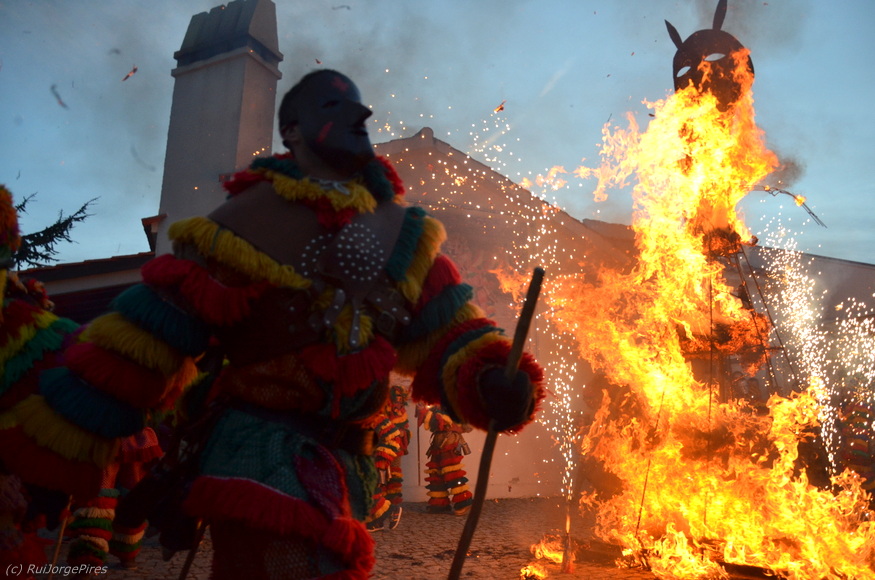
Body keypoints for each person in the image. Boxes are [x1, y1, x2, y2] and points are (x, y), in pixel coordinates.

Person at [12, 69, 544, 579]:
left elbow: (449, 328)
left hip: (344, 466)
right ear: (292, 131)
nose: (358, 114)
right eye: (333, 106)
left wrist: (489, 375)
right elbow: (140, 346)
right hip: (258, 455)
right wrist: (54, 459)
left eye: (358, 106)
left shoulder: (402, 233)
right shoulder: (239, 224)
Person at [417, 403, 474, 515]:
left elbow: (467, 426)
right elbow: (431, 424)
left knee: (453, 472)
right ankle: (439, 504)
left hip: (450, 440)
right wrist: (422, 410)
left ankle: (464, 501)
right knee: (436, 473)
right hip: (438, 441)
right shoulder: (434, 405)